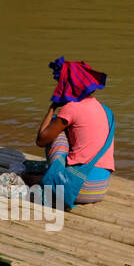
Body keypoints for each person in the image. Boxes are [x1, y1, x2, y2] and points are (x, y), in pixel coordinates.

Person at [33, 57, 114, 205]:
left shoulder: (71, 108)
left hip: (78, 189)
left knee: (57, 134)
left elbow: (41, 140)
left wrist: (53, 106)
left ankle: (55, 181)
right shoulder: (106, 111)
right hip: (101, 188)